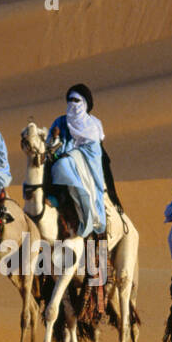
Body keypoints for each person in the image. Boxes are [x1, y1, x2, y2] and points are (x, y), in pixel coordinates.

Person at [47, 83, 123, 238]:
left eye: (76, 100)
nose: (72, 104)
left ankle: (100, 251)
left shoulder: (92, 126)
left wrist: (70, 156)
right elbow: (48, 147)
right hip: (59, 163)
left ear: (85, 103)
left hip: (88, 168)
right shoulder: (60, 122)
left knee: (64, 165)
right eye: (69, 100)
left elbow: (94, 153)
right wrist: (54, 138)